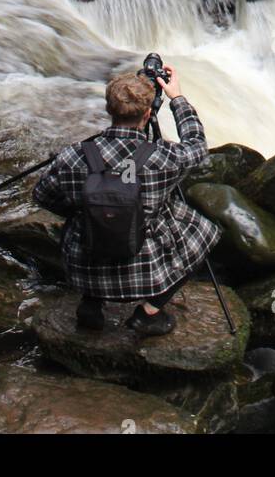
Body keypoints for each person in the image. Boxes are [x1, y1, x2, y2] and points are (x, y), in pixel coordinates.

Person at [33, 65, 220, 337]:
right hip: (144, 271)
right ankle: (148, 313)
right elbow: (197, 146)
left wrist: (86, 211)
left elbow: (42, 195)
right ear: (148, 114)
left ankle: (91, 304)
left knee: (89, 219)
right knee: (203, 230)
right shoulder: (164, 158)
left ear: (110, 110)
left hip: (84, 267)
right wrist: (177, 99)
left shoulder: (73, 156)